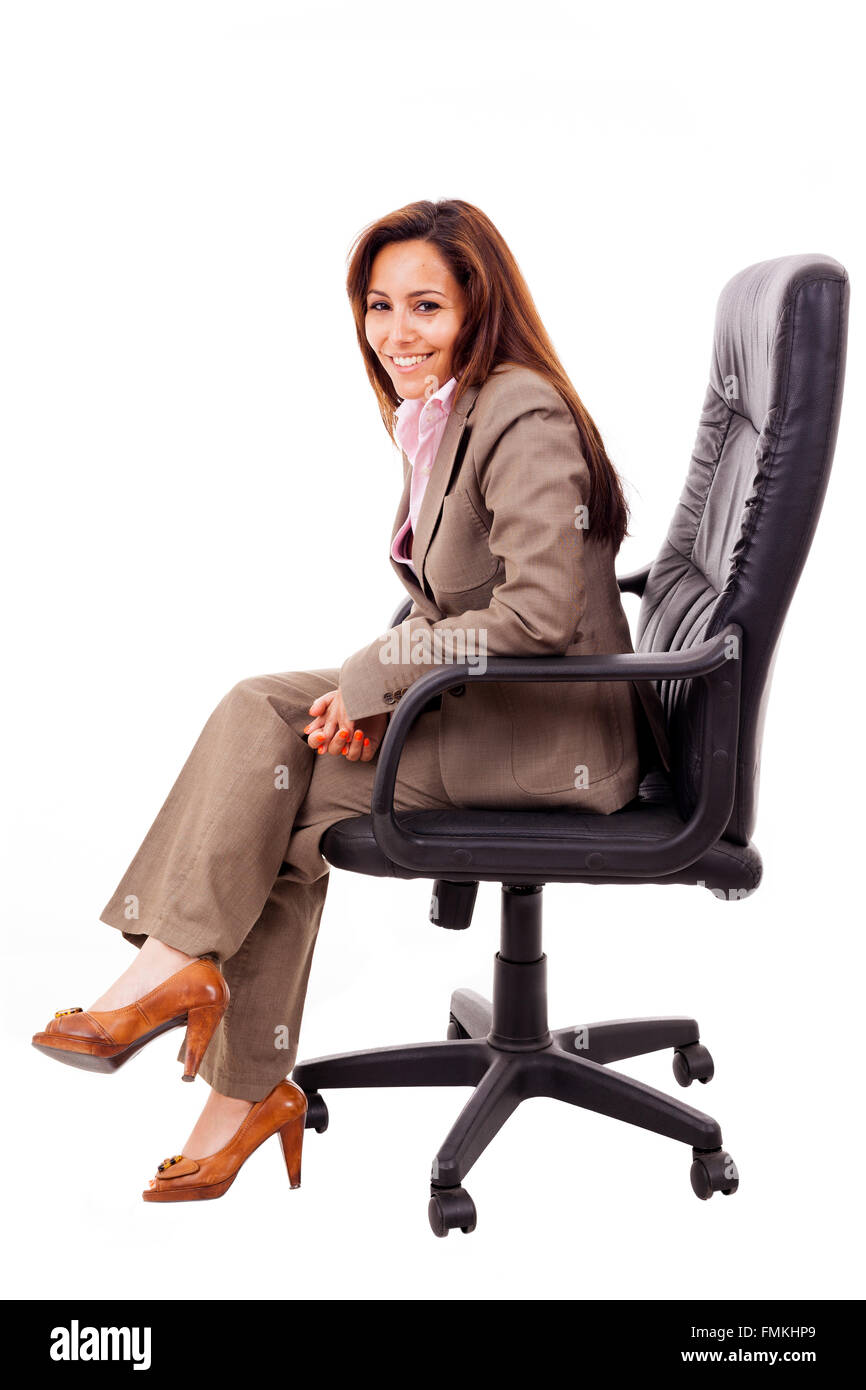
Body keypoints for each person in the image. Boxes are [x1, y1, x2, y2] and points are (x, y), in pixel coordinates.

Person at [31, 198, 670, 1203]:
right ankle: (191, 1005)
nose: (396, 332)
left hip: (549, 732)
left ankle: (213, 1050)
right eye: (379, 305)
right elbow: (451, 600)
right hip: (483, 700)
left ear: (478, 304)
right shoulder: (449, 408)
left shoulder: (522, 414)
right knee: (260, 713)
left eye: (426, 305)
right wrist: (368, 689)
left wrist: (376, 678)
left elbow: (538, 616)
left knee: (278, 796)